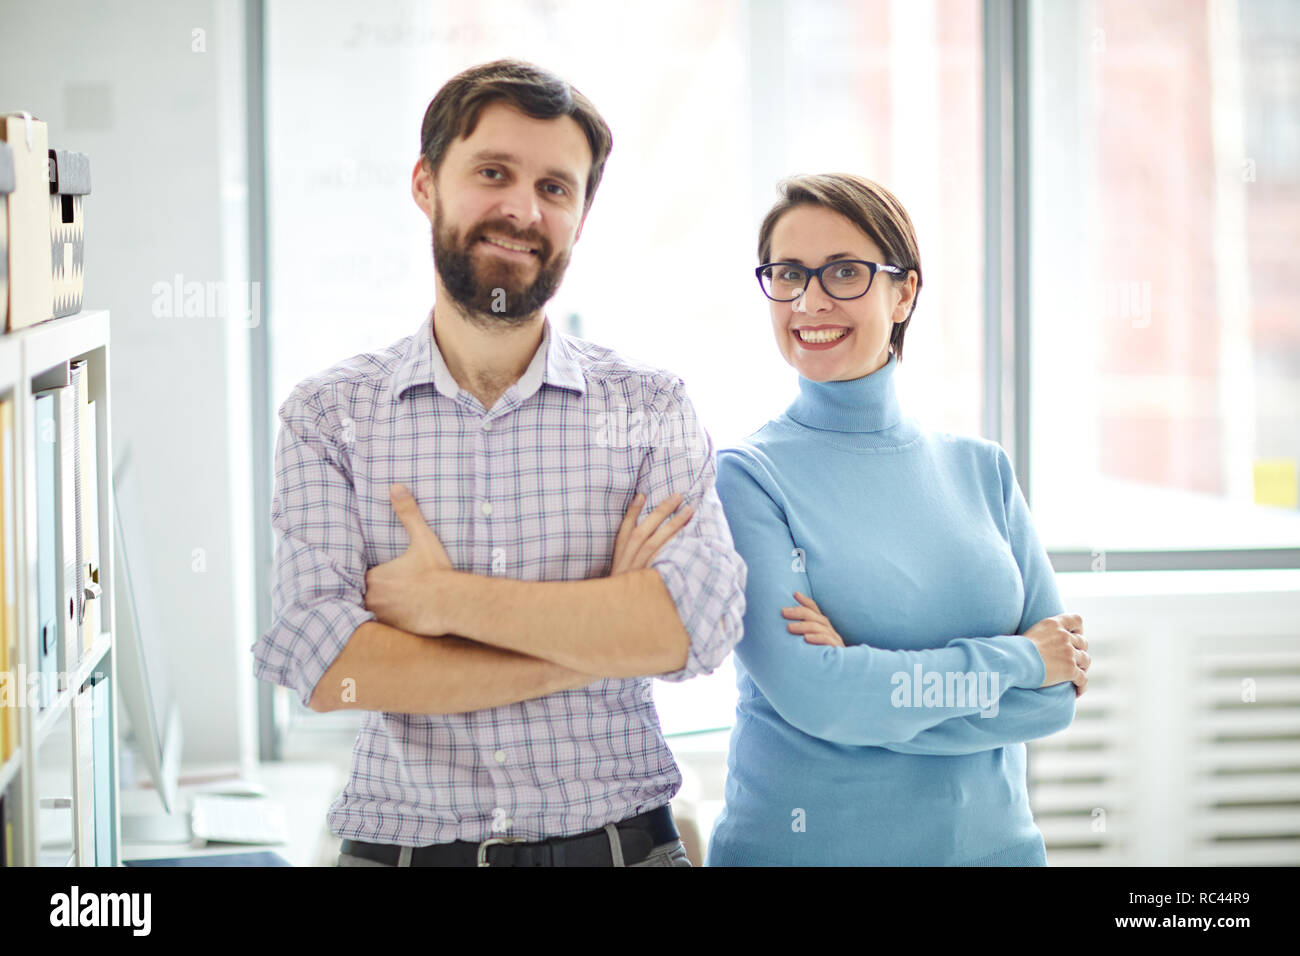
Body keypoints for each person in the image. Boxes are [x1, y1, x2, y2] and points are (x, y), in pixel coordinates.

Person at [252, 59, 746, 868]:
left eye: (557, 188)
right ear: (425, 184)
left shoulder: (650, 407)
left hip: (621, 848)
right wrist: (602, 630)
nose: (523, 209)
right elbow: (327, 664)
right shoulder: (327, 417)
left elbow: (696, 627)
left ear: (581, 219)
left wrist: (446, 603)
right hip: (403, 849)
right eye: (493, 173)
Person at [706, 173, 1091, 866]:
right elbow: (817, 696)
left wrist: (867, 686)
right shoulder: (745, 476)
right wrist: (1019, 659)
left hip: (998, 852)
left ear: (904, 291)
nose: (810, 300)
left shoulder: (984, 470)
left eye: (845, 272)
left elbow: (1056, 699)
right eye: (789, 274)